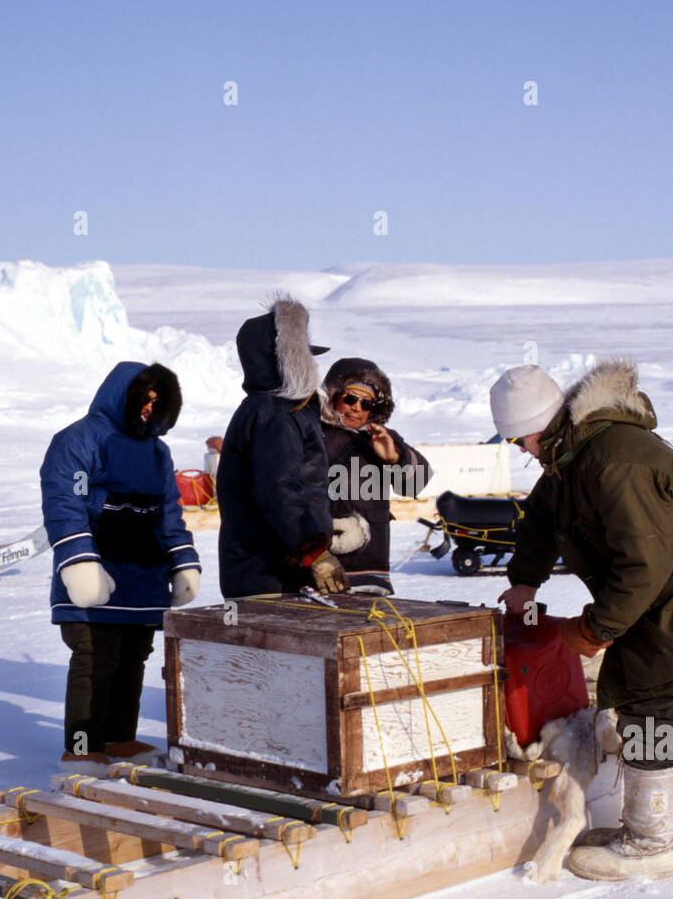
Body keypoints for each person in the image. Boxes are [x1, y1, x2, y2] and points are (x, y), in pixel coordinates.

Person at [490, 359, 673, 882]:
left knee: (650, 705)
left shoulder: (614, 462)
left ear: (534, 429)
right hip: (669, 596)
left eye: (517, 443)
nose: (521, 454)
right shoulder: (572, 455)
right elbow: (544, 517)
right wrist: (525, 579)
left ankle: (651, 843)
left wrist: (595, 630)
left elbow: (645, 566)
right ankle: (662, 827)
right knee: (649, 703)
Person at [40, 361, 201, 763]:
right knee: (95, 657)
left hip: (143, 575)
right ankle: (81, 747)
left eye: (157, 402)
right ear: (122, 395)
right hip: (98, 569)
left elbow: (170, 512)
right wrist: (79, 562)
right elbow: (64, 503)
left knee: (134, 656)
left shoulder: (158, 452)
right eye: (143, 400)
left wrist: (182, 561)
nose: (149, 409)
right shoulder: (78, 439)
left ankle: (118, 740)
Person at [216, 294, 350, 599]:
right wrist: (313, 553)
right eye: (307, 356)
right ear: (287, 361)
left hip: (274, 573)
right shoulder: (274, 414)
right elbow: (280, 490)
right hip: (266, 576)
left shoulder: (278, 411)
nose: (315, 364)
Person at [320, 357, 432, 594]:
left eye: (367, 403)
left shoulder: (383, 437)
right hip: (324, 571)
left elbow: (415, 485)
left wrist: (394, 457)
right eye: (350, 398)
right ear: (333, 396)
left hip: (372, 570)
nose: (357, 407)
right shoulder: (311, 435)